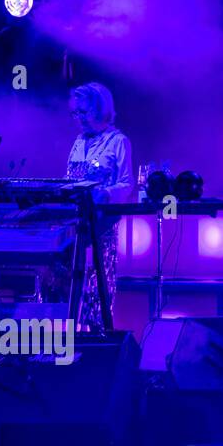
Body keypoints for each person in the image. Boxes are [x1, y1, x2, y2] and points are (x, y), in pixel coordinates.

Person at [65, 82, 134, 330]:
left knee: (96, 289)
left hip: (101, 228)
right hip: (74, 228)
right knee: (71, 286)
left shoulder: (118, 142)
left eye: (83, 112)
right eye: (76, 113)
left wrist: (103, 194)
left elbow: (127, 184)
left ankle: (95, 342)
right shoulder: (78, 142)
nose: (79, 118)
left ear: (101, 110)